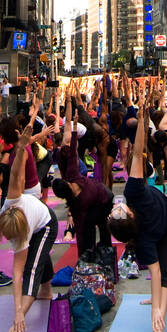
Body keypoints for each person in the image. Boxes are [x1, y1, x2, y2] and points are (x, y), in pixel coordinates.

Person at [109, 79, 167, 332]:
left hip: (166, 217)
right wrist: (155, 320)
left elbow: (138, 155)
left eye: (112, 212)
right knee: (164, 268)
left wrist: (142, 120)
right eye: (117, 212)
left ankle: (162, 304)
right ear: (127, 215)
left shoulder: (133, 193)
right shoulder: (134, 198)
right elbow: (154, 272)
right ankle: (160, 313)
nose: (115, 208)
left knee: (165, 267)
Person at [0, 103, 59, 332]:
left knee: (34, 264)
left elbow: (26, 276)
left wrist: (20, 315)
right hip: (31, 211)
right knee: (34, 258)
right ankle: (46, 290)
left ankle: (43, 291)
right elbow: (15, 276)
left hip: (46, 223)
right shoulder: (10, 201)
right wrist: (22, 148)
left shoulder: (25, 232)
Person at [52, 102, 113, 262]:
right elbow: (72, 150)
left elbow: (72, 150)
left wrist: (73, 127)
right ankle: (91, 255)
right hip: (98, 197)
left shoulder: (72, 174)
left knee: (96, 224)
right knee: (90, 226)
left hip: (105, 198)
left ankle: (102, 254)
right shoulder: (71, 176)